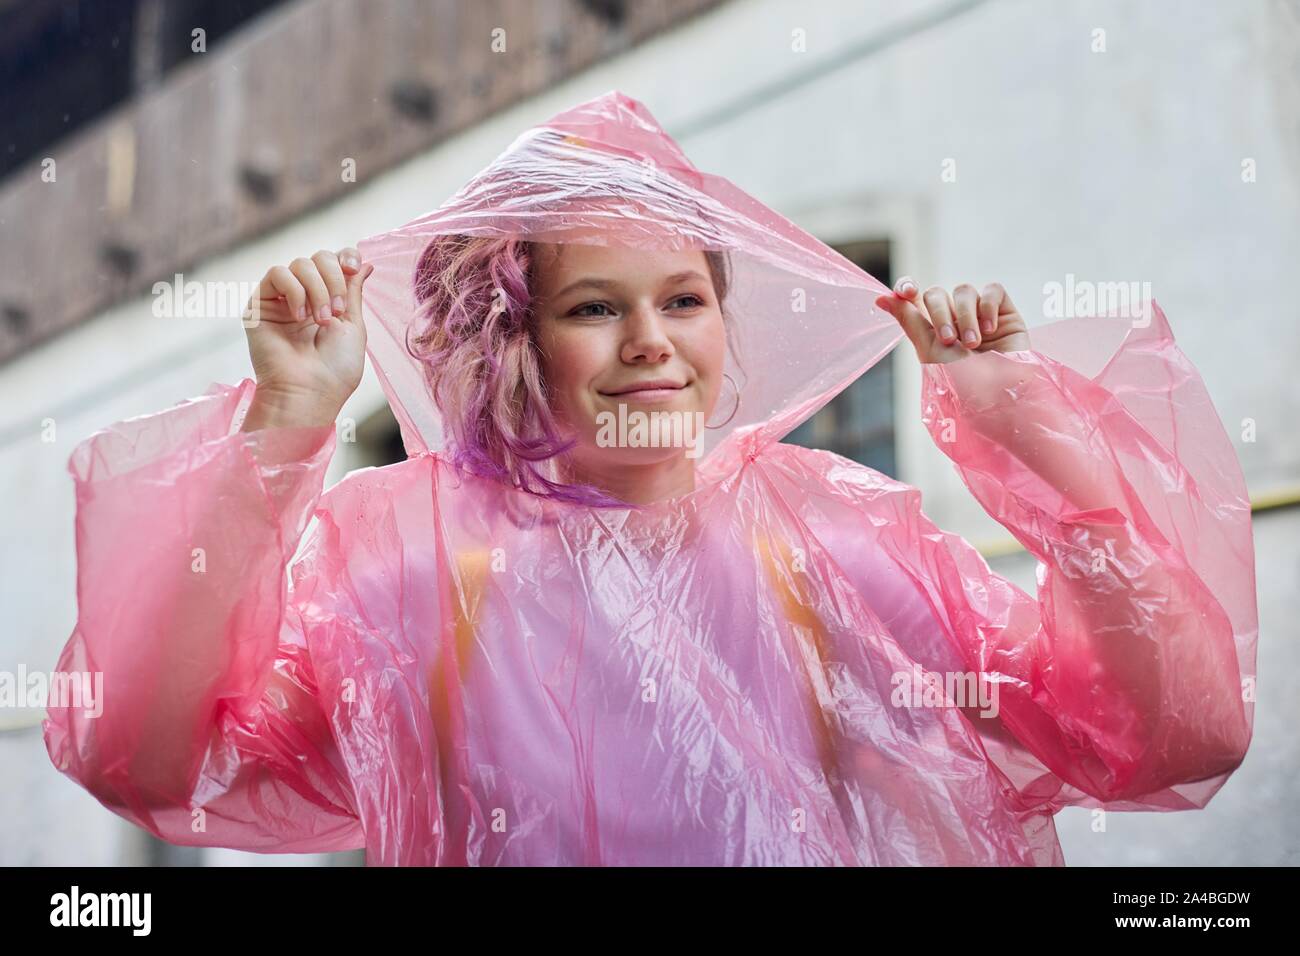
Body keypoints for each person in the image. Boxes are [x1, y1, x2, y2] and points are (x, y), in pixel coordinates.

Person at [44, 92, 1256, 866]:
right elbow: (153, 754)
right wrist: (288, 424)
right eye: (592, 307)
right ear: (512, 336)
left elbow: (1152, 735)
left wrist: (1027, 432)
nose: (651, 342)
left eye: (683, 299)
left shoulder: (827, 538)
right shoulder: (406, 567)